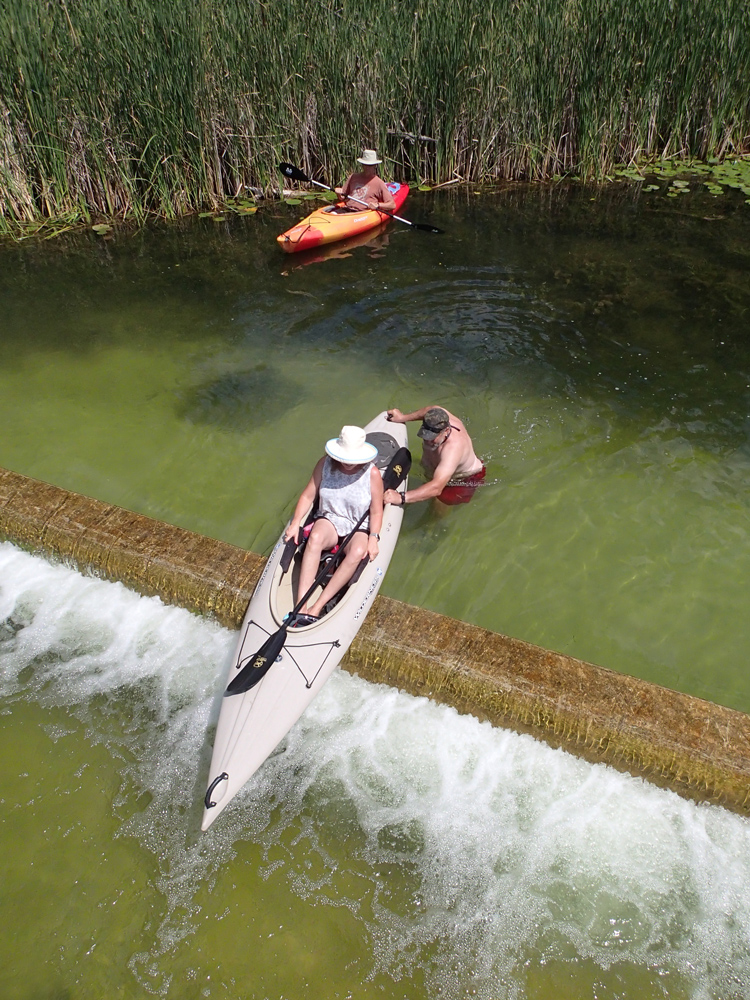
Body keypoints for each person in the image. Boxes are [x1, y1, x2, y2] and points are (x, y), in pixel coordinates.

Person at [284, 425, 384, 625]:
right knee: (315, 539)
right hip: (330, 518)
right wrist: (295, 523)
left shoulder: (371, 474)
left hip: (358, 525)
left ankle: (317, 607)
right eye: (345, 458)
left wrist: (374, 537)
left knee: (357, 551)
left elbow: (376, 510)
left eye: (352, 459)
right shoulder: (325, 464)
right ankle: (300, 606)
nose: (347, 464)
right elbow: (308, 495)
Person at [383, 406, 485, 507]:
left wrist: (402, 497)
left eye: (432, 437)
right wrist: (402, 417)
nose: (428, 440)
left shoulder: (453, 449)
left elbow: (436, 488)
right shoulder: (436, 416)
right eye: (425, 435)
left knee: (439, 505)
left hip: (462, 479)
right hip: (439, 470)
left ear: (446, 431)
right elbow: (430, 409)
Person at [334, 149, 396, 214]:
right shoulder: (353, 177)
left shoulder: (379, 183)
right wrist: (338, 193)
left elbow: (392, 205)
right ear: (362, 165)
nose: (367, 168)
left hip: (362, 213)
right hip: (347, 209)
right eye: (365, 165)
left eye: (370, 165)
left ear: (374, 166)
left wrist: (378, 205)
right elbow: (342, 197)